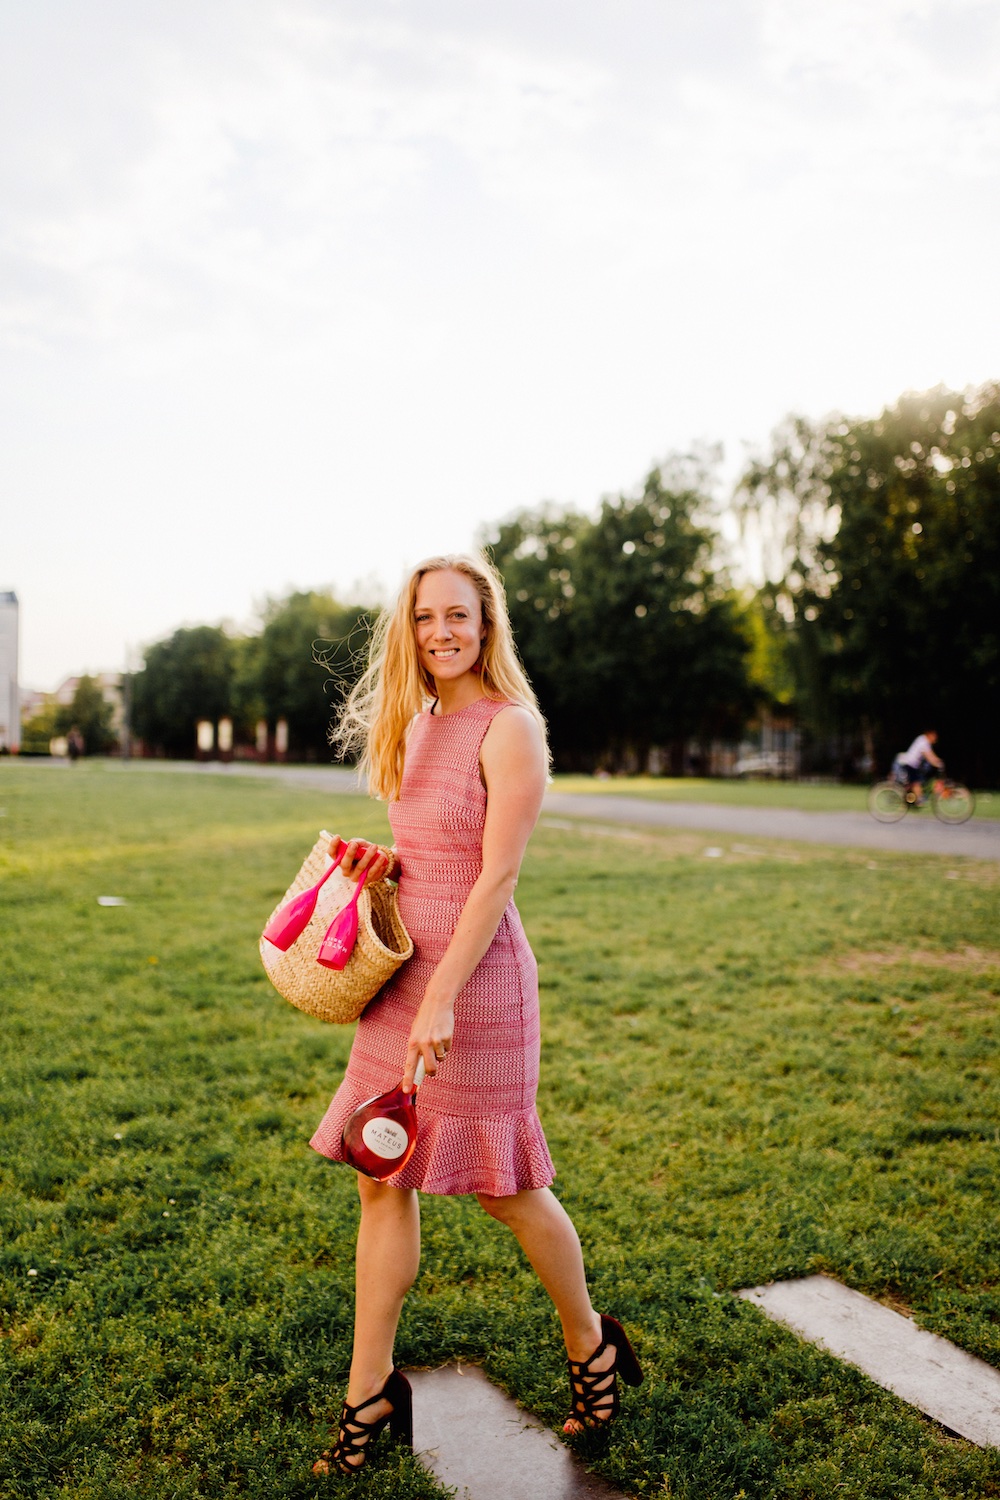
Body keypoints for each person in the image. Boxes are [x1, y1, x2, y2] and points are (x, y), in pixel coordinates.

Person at [308, 553, 642, 1476]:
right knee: (381, 1175)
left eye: (458, 615)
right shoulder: (414, 727)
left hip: (479, 985)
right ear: (407, 629)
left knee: (505, 1186)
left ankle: (591, 1344)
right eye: (424, 618)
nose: (441, 632)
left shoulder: (511, 728)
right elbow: (435, 853)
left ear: (487, 624)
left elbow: (496, 876)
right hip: (404, 978)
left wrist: (446, 998)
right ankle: (368, 1397)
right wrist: (387, 864)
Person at [896, 729, 944, 801]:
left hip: (913, 764)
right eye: (934, 737)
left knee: (920, 779)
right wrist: (937, 764)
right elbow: (928, 756)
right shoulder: (923, 741)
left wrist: (938, 760)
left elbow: (931, 754)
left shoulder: (924, 741)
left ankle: (913, 797)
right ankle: (919, 800)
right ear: (929, 734)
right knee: (916, 782)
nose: (935, 739)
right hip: (910, 764)